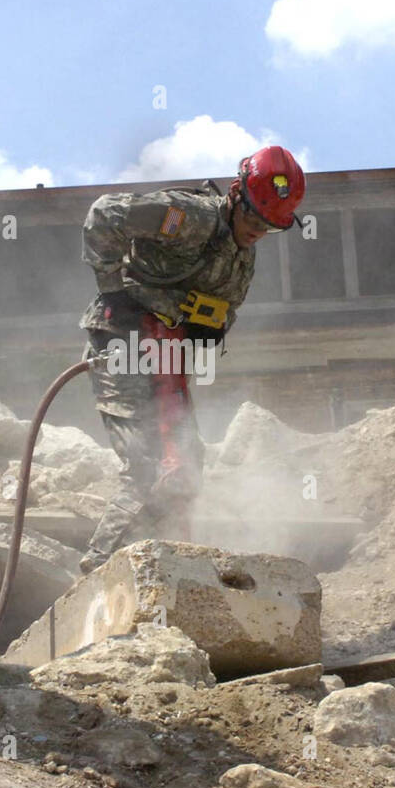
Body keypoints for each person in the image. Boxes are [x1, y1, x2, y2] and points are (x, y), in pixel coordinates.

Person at [77, 146, 305, 574]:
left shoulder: (243, 254)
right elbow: (104, 214)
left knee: (185, 465)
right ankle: (98, 570)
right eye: (254, 219)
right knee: (149, 462)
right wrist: (112, 289)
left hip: (169, 351)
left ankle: (160, 569)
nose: (258, 232)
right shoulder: (189, 217)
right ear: (237, 196)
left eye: (270, 227)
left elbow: (225, 307)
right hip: (122, 339)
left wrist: (211, 332)